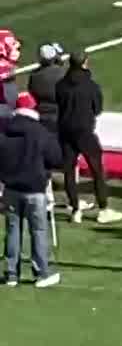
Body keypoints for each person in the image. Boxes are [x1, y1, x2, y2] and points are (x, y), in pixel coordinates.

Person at [1, 94, 62, 287]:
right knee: (38, 231)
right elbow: (56, 158)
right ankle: (41, 273)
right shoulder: (41, 132)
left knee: (12, 231)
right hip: (35, 190)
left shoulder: (6, 131)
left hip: (11, 188)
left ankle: (11, 273)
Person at [54, 51, 118, 224]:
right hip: (84, 131)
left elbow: (58, 104)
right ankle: (103, 208)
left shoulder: (61, 85)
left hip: (66, 130)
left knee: (69, 170)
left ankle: (75, 209)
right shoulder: (91, 86)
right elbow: (97, 109)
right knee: (97, 169)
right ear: (85, 63)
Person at [27, 44, 65, 125]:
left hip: (42, 114)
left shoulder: (34, 76)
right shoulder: (62, 73)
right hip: (60, 113)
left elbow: (31, 92)